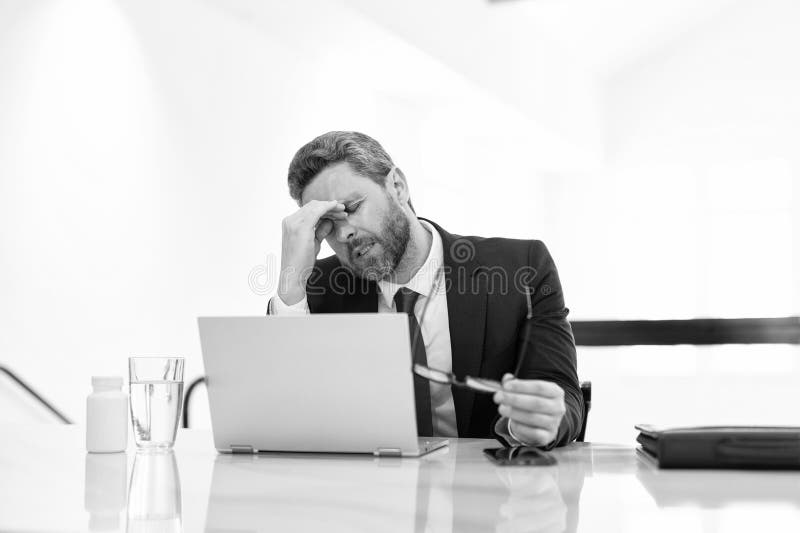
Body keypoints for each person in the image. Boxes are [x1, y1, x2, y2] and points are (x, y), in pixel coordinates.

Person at [268, 131, 583, 448]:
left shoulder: (522, 268)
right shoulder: (316, 290)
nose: (345, 232)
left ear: (398, 187)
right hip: (368, 489)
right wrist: (291, 283)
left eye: (350, 207)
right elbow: (280, 413)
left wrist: (534, 422)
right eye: (327, 225)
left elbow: (563, 393)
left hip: (490, 486)